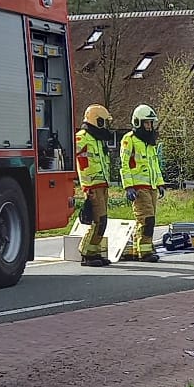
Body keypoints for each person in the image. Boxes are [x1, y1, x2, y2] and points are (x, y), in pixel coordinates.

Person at [120, 104, 166, 261]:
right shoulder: (129, 140)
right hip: (139, 188)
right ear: (138, 123)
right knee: (147, 219)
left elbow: (155, 165)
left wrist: (160, 184)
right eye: (146, 123)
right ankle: (145, 252)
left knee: (146, 219)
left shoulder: (150, 142)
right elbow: (124, 164)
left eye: (151, 123)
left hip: (151, 187)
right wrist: (128, 186)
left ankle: (135, 249)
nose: (149, 126)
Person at [73, 103, 117, 268]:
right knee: (99, 220)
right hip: (91, 185)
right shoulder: (82, 137)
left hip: (102, 184)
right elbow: (71, 154)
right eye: (103, 122)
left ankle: (94, 251)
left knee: (101, 221)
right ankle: (87, 253)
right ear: (96, 120)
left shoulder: (97, 139)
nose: (105, 125)